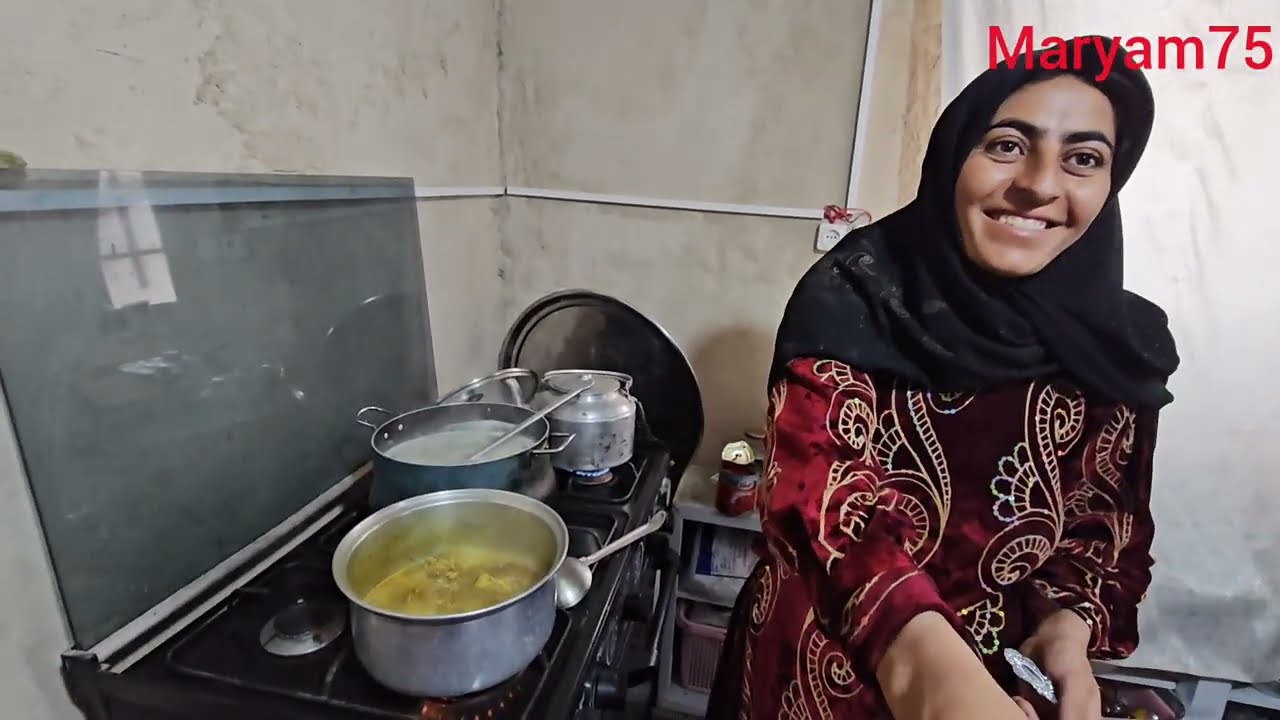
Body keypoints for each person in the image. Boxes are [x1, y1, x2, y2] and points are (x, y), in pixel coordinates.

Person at [706, 36, 1179, 720]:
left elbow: (1104, 527)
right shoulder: (855, 299)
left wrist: (1067, 631)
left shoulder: (1118, 345)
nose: (1041, 184)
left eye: (1083, 158)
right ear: (955, 156)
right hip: (821, 670)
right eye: (1008, 145)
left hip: (1004, 675)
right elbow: (821, 507)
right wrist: (931, 679)